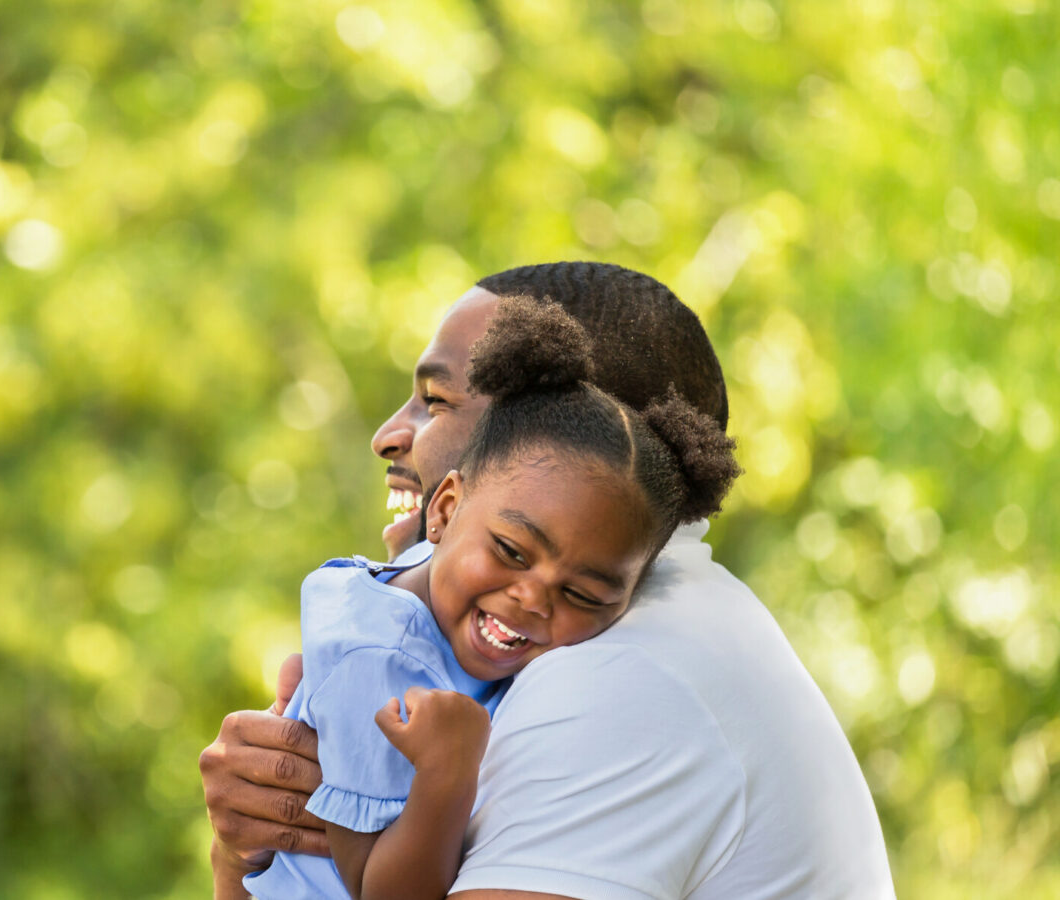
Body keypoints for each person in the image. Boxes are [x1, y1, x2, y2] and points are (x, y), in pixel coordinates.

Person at [200, 262, 895, 899]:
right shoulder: (529, 625)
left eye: (436, 401)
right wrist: (248, 852)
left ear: (567, 430)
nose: (388, 434)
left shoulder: (617, 675)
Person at [244, 296, 739, 900]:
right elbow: (379, 891)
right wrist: (446, 774)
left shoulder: (459, 589)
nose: (532, 597)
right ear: (445, 509)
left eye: (583, 594)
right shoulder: (377, 663)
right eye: (510, 552)